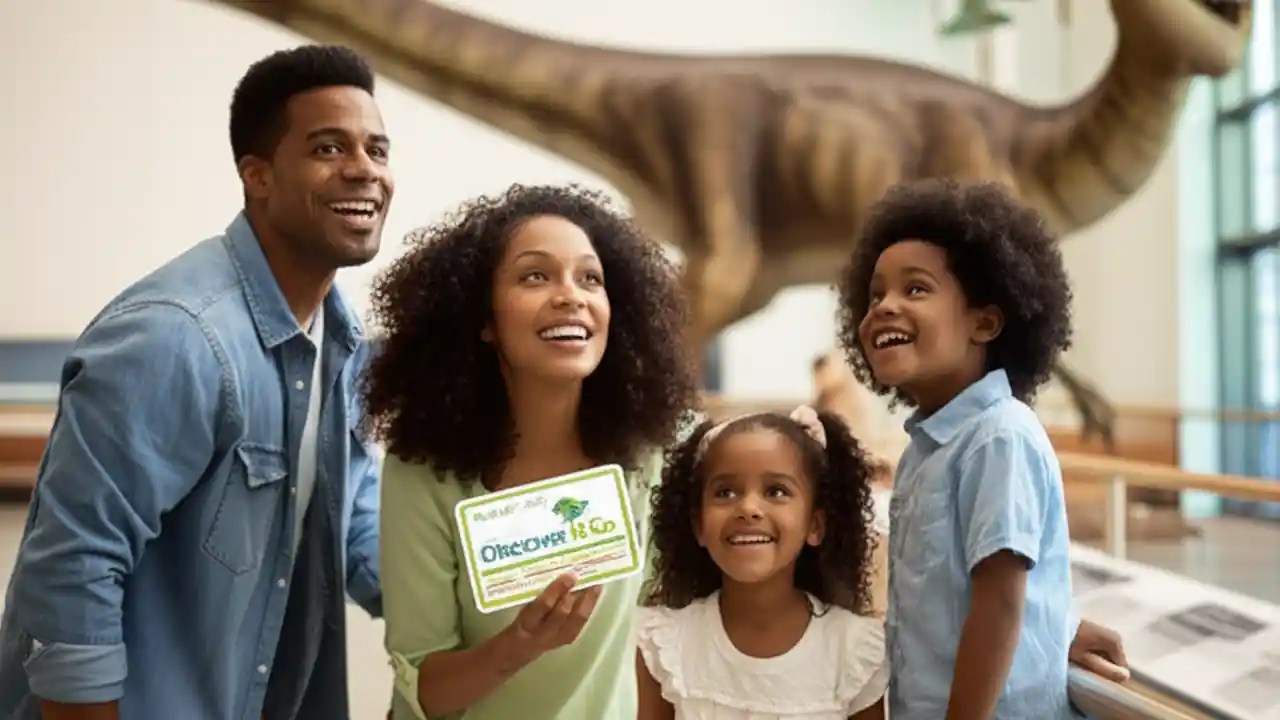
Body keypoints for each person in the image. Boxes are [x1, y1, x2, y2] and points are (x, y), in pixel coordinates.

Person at [0, 44, 390, 720]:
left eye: (377, 150)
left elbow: (355, 519)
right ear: (257, 175)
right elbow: (71, 576)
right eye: (329, 148)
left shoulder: (338, 334)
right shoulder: (175, 336)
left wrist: (499, 582)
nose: (363, 170)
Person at [363, 183, 699, 719]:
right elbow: (423, 688)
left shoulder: (649, 454)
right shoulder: (424, 472)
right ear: (484, 320)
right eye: (535, 276)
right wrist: (518, 646)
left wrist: (808, 442)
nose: (571, 296)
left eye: (591, 278)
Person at [834, 178, 1127, 719]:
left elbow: (999, 604)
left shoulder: (998, 437)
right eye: (875, 294)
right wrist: (1063, 626)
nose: (884, 307)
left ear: (985, 322)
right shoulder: (927, 448)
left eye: (915, 289)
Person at [637, 406, 888, 720]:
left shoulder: (853, 651)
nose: (749, 508)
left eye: (776, 491)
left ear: (815, 525)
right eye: (725, 492)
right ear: (698, 524)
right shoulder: (666, 644)